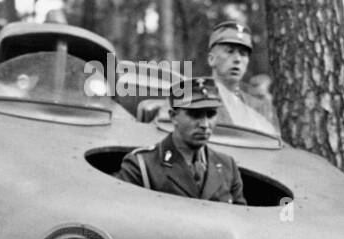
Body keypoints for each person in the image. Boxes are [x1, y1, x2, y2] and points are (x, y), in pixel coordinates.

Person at [117, 76, 246, 203]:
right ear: (173, 117)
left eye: (210, 114)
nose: (205, 125)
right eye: (195, 115)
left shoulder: (228, 167)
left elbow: (240, 218)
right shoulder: (142, 166)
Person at [207, 20, 279, 129]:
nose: (237, 59)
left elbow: (272, 144)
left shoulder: (258, 107)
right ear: (212, 59)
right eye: (229, 51)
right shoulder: (194, 99)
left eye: (243, 54)